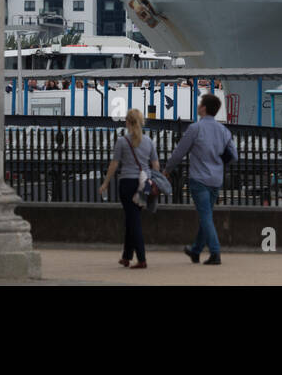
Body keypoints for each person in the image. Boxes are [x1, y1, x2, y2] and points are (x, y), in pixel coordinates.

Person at [164, 94, 237, 266]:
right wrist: (219, 163)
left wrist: (167, 170)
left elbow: (179, 153)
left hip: (199, 178)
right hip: (216, 179)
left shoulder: (195, 129)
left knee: (205, 216)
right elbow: (234, 156)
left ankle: (215, 252)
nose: (198, 105)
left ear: (203, 108)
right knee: (207, 215)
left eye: (200, 103)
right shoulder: (223, 131)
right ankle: (196, 250)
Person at [99, 108, 160, 269]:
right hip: (144, 183)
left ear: (127, 122)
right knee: (132, 218)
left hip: (127, 182)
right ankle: (126, 256)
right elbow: (155, 165)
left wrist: (106, 182)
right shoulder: (149, 142)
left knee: (133, 220)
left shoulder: (122, 141)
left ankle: (141, 258)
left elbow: (114, 164)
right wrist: (153, 180)